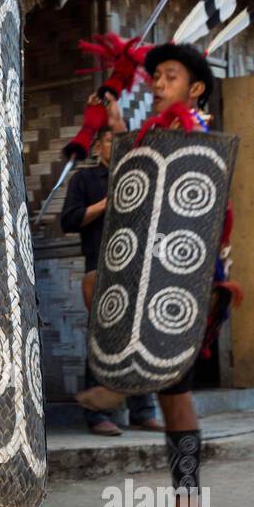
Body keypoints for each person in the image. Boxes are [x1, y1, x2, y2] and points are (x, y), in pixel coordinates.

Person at [78, 42, 221, 507]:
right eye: (155, 75)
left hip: (183, 282)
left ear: (195, 88)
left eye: (170, 76)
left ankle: (121, 383)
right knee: (176, 402)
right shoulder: (161, 132)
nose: (159, 84)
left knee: (174, 395)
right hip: (164, 278)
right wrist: (115, 122)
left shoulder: (194, 133)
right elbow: (136, 177)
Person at [61, 124, 163, 436]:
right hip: (100, 268)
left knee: (138, 337)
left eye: (122, 142)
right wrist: (109, 201)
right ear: (96, 147)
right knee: (102, 337)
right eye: (109, 140)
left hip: (138, 269)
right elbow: (69, 220)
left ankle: (142, 411)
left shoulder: (141, 176)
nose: (115, 146)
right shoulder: (85, 179)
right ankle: (97, 415)